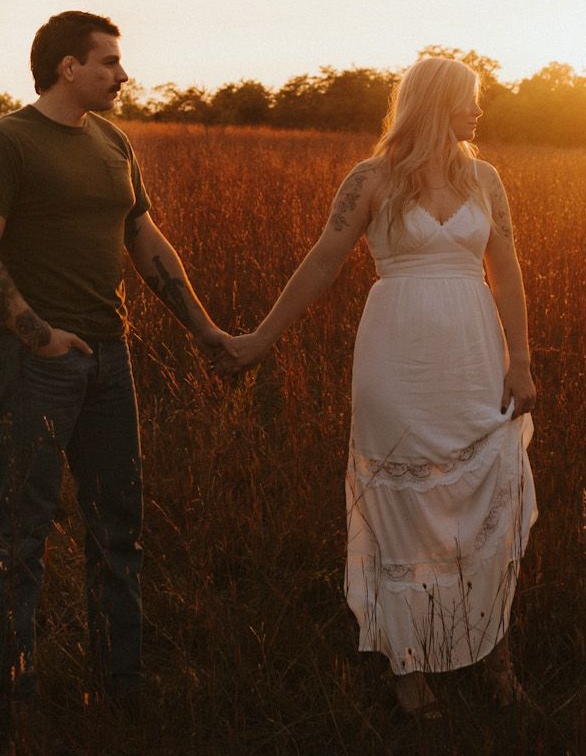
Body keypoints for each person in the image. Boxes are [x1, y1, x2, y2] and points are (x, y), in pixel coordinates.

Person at [218, 56, 537, 717]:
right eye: (468, 99)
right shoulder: (371, 179)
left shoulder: (483, 178)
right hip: (398, 359)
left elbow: (505, 271)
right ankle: (406, 666)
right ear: (434, 102)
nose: (479, 111)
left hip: (474, 357)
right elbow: (321, 264)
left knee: (488, 505)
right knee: (403, 507)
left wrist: (521, 361)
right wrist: (261, 336)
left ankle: (493, 660)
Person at [0, 10, 227, 719]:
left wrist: (201, 329)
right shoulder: (6, 142)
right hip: (37, 363)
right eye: (106, 62)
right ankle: (8, 697)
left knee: (117, 527)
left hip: (111, 359)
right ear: (66, 68)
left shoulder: (113, 140)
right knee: (23, 532)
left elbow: (144, 239)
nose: (121, 75)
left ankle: (120, 688)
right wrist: (37, 333)